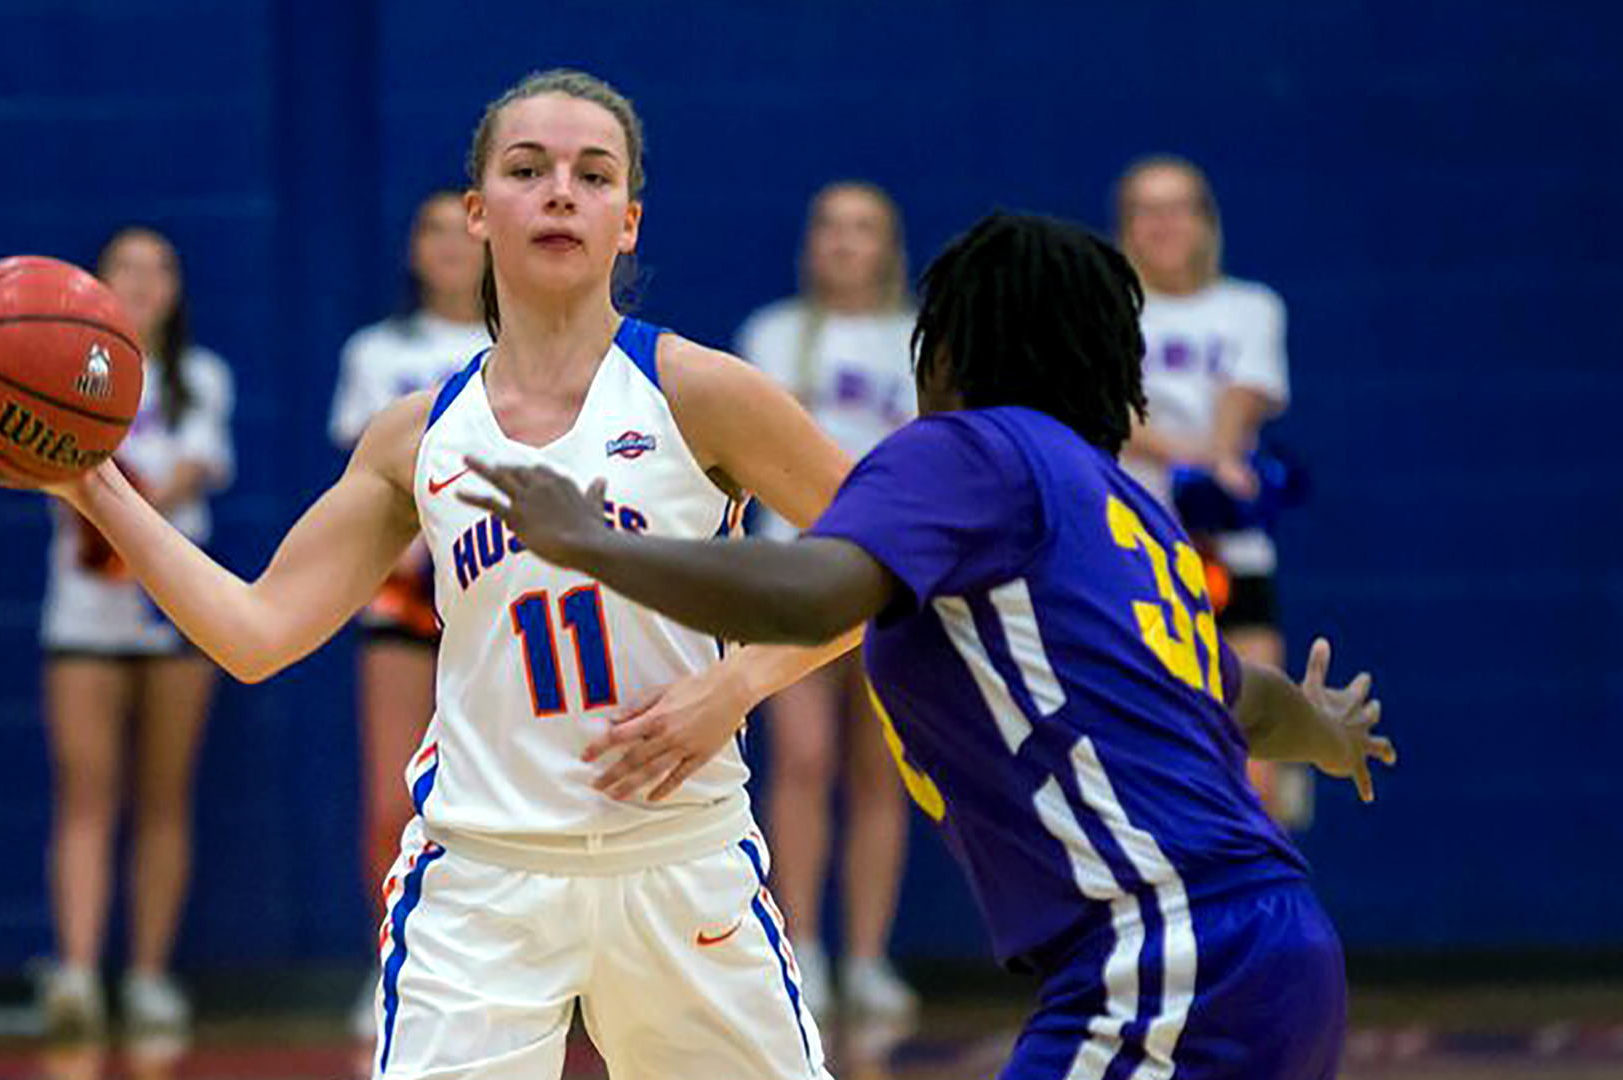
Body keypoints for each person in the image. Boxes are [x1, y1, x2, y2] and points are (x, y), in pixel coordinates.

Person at [47, 70, 863, 1079]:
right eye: (528, 170)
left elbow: (889, 561)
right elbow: (255, 634)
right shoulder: (416, 435)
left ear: (629, 223)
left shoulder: (699, 393)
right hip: (485, 881)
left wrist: (734, 686)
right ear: (478, 213)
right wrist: (95, 484)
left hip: (682, 861)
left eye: (592, 174)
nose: (561, 191)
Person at [463, 211, 1395, 1080]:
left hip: (1168, 951)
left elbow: (814, 591)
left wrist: (595, 545)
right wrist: (1323, 731)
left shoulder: (964, 451)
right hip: (1279, 946)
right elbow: (1235, 697)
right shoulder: (1124, 511)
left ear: (941, 348)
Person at [35, 226, 235, 1040]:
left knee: (164, 796)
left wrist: (115, 506)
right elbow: (59, 488)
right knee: (85, 796)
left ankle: (149, 976)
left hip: (176, 610)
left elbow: (178, 479)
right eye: (128, 266)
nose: (146, 281)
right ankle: (78, 974)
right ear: (96, 282)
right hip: (83, 612)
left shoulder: (200, 378)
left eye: (163, 268)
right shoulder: (53, 375)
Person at [734, 180, 917, 1017]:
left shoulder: (918, 337)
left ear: (888, 245)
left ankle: (870, 956)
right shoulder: (771, 336)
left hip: (893, 572)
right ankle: (799, 941)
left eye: (863, 228)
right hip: (793, 571)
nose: (846, 242)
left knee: (880, 768)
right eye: (831, 227)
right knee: (803, 760)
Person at [327, 189, 489, 1036]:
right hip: (400, 586)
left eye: (459, 231)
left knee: (504, 783)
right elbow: (368, 480)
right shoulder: (376, 352)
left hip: (500, 588)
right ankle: (391, 955)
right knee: (393, 792)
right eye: (429, 230)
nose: (449, 247)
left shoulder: (518, 347)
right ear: (414, 251)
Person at [1113, 156, 1307, 826]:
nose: (1162, 224)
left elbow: (1247, 391)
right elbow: (1112, 409)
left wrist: (1219, 457)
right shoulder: (1108, 307)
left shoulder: (1249, 306)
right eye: (1145, 208)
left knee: (1256, 744)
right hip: (1133, 550)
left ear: (1204, 222)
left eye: (1177, 208)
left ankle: (1267, 919)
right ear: (1125, 225)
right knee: (1152, 744)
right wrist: (1200, 460)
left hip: (1231, 547)